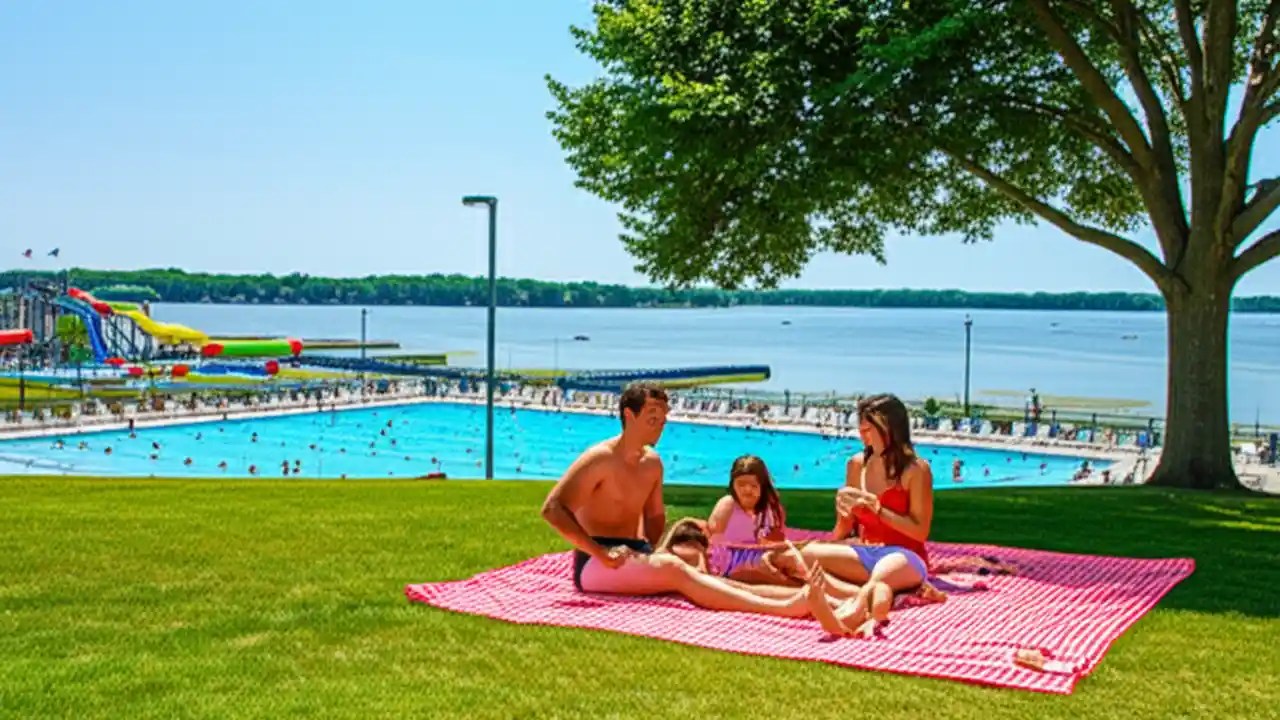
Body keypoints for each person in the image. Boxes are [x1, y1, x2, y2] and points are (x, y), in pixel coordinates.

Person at [539, 382, 818, 617]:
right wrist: (601, 553)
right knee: (676, 570)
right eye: (652, 419)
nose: (659, 427)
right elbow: (553, 509)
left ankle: (809, 601)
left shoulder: (652, 464)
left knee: (702, 577)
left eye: (662, 420)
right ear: (629, 415)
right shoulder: (600, 459)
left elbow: (653, 517)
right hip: (595, 562)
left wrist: (654, 549)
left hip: (634, 553)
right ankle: (783, 609)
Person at [765, 394, 933, 597]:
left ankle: (851, 594)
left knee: (807, 568)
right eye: (861, 431)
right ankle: (863, 596)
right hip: (864, 554)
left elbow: (920, 531)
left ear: (890, 429)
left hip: (903, 558)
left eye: (868, 430)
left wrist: (878, 510)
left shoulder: (915, 470)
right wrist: (843, 514)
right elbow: (842, 532)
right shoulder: (857, 465)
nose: (863, 437)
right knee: (792, 557)